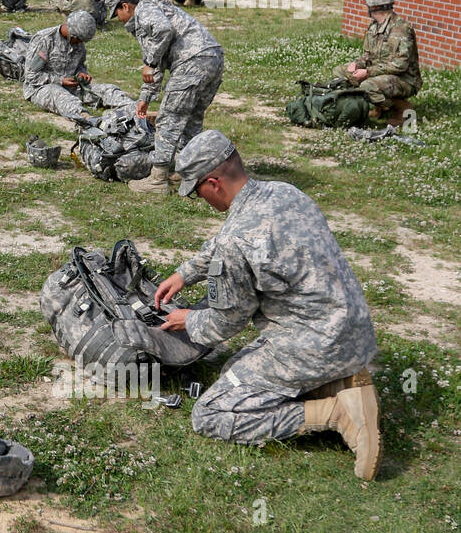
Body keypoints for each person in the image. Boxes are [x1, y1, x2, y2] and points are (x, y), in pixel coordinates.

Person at [153, 130, 380, 480]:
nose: (199, 199)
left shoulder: (236, 241)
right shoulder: (285, 193)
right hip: (353, 331)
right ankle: (339, 380)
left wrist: (190, 320)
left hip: (310, 345)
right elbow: (232, 241)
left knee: (211, 413)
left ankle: (334, 413)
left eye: (196, 191)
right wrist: (186, 273)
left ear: (213, 183)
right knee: (240, 366)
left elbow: (226, 323)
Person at [107, 0, 224, 196]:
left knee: (168, 119)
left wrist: (149, 62)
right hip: (212, 58)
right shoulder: (156, 7)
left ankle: (158, 180)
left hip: (192, 62)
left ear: (125, 6)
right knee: (191, 120)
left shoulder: (144, 8)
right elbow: (158, 63)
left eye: (116, 14)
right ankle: (188, 171)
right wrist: (145, 98)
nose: (119, 21)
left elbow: (163, 31)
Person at [332, 0, 421, 125]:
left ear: (373, 6)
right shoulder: (374, 27)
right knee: (340, 72)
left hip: (404, 79)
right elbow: (368, 55)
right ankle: (378, 106)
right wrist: (356, 64)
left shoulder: (401, 29)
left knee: (368, 86)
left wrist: (367, 72)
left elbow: (400, 65)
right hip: (380, 73)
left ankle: (400, 109)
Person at [20, 11, 133, 120]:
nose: (79, 44)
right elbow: (31, 75)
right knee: (60, 95)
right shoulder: (44, 40)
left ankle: (134, 109)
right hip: (41, 88)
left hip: (72, 88)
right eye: (78, 40)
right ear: (71, 32)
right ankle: (86, 119)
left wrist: (82, 73)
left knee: (108, 89)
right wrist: (60, 81)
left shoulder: (78, 41)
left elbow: (80, 65)